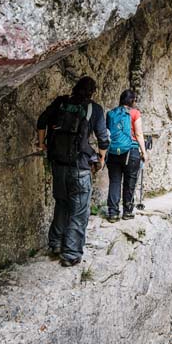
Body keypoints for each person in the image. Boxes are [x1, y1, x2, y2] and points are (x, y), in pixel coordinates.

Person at [37, 76, 109, 266]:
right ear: (92, 92)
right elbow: (103, 139)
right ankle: (70, 254)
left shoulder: (61, 103)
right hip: (80, 168)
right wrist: (100, 160)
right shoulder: (94, 109)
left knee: (61, 203)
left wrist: (42, 143)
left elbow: (42, 120)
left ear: (74, 88)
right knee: (79, 211)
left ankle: (55, 244)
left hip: (58, 165)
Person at [105, 89, 148, 221]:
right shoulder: (134, 113)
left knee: (115, 181)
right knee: (130, 181)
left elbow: (108, 133)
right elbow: (139, 134)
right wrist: (144, 152)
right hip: (131, 151)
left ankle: (113, 213)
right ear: (132, 101)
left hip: (113, 152)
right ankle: (127, 211)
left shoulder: (111, 114)